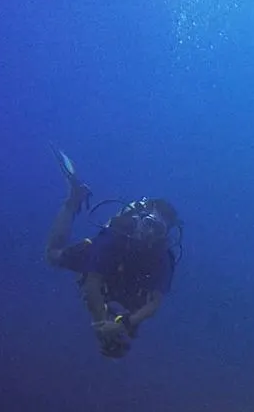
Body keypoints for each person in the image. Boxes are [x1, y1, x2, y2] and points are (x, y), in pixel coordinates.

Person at [45, 147, 179, 358]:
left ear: (164, 235)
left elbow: (154, 303)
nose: (149, 232)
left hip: (129, 281)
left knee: (129, 316)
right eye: (149, 223)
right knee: (53, 255)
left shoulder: (162, 257)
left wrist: (124, 324)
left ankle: (116, 323)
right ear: (140, 219)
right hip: (106, 262)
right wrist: (101, 324)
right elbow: (92, 283)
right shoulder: (115, 236)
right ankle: (74, 199)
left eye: (157, 229)